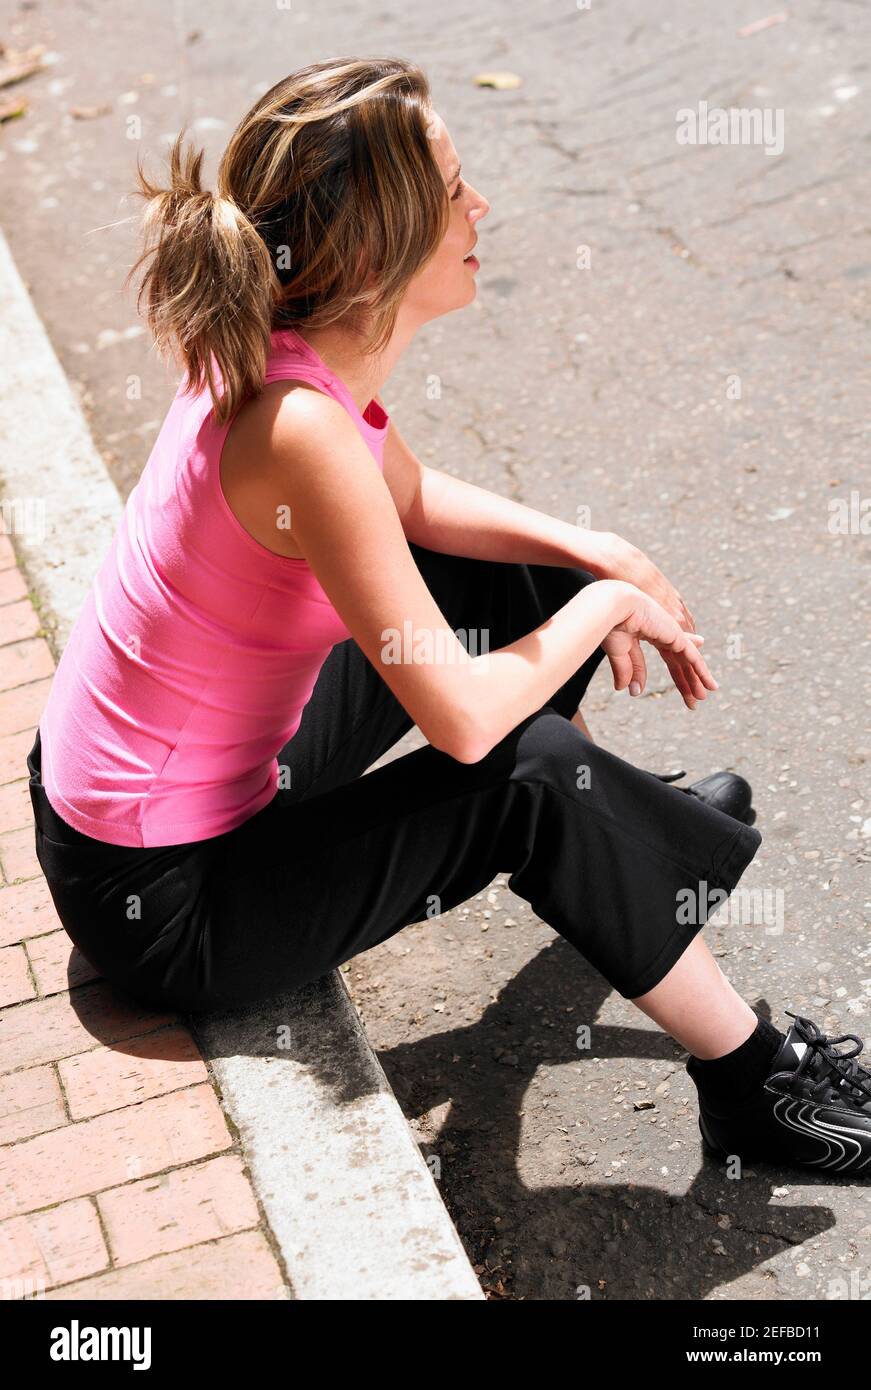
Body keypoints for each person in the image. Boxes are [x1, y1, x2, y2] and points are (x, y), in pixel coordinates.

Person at [27, 57, 871, 1175]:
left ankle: (618, 849)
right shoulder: (299, 431)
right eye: (455, 193)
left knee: (530, 583)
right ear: (374, 250)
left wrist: (590, 551)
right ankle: (754, 1087)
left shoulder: (278, 346)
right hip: (165, 902)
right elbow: (469, 726)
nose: (483, 210)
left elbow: (412, 500)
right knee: (526, 771)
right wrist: (615, 599)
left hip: (173, 799)